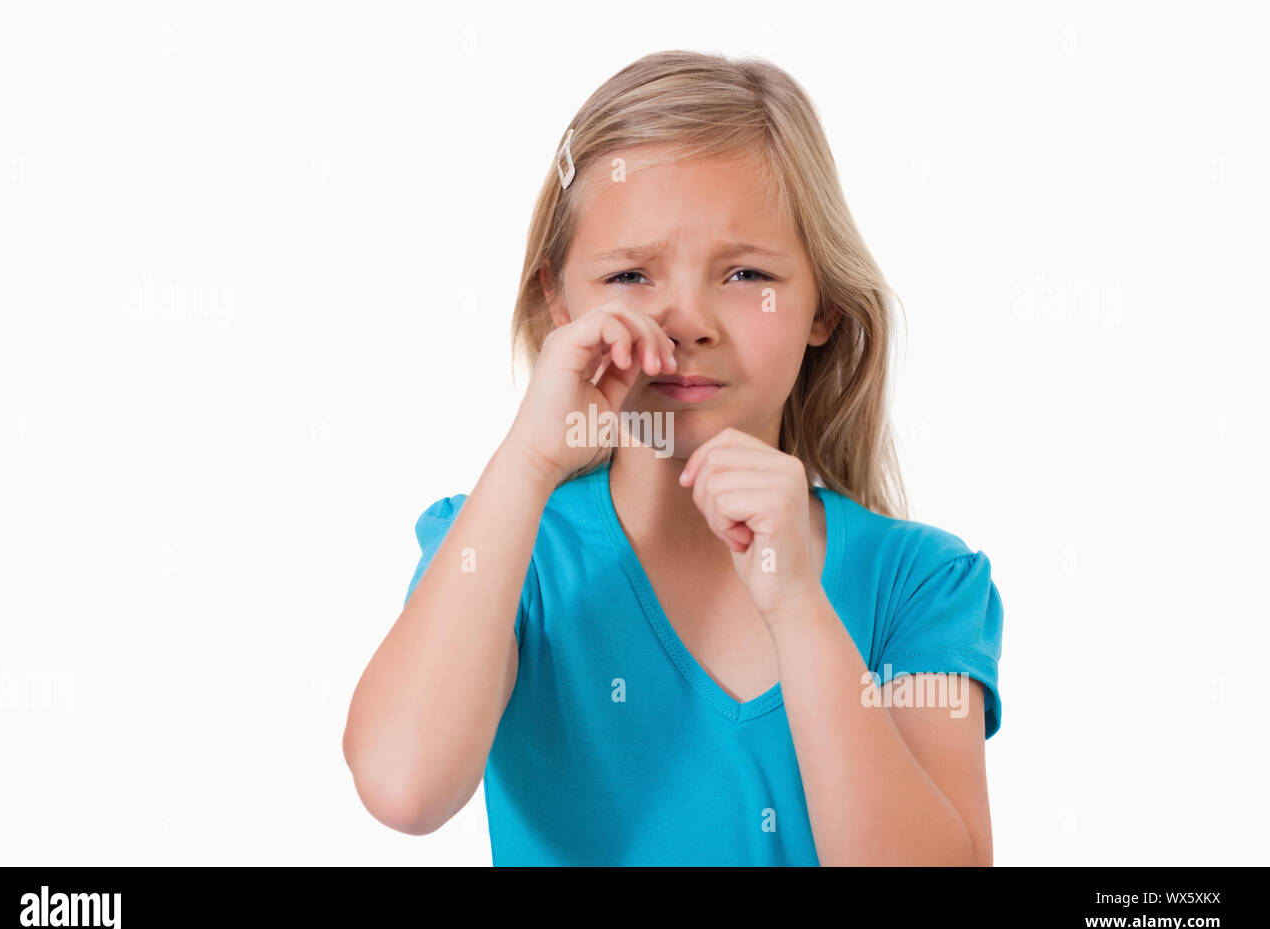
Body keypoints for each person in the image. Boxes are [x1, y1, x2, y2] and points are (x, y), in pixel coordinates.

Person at [343, 50, 1003, 866]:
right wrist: (526, 459)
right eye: (629, 273)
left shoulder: (920, 584)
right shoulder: (506, 549)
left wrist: (798, 608)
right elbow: (403, 786)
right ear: (559, 302)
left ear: (822, 308)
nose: (686, 320)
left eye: (746, 274)